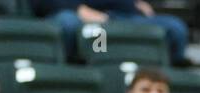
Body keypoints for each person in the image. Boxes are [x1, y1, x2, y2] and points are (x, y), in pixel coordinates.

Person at [31, 0, 191, 66]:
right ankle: (75, 76)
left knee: (174, 28)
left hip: (121, 17)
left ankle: (163, 83)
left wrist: (134, 3)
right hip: (77, 16)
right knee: (71, 25)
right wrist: (79, 9)